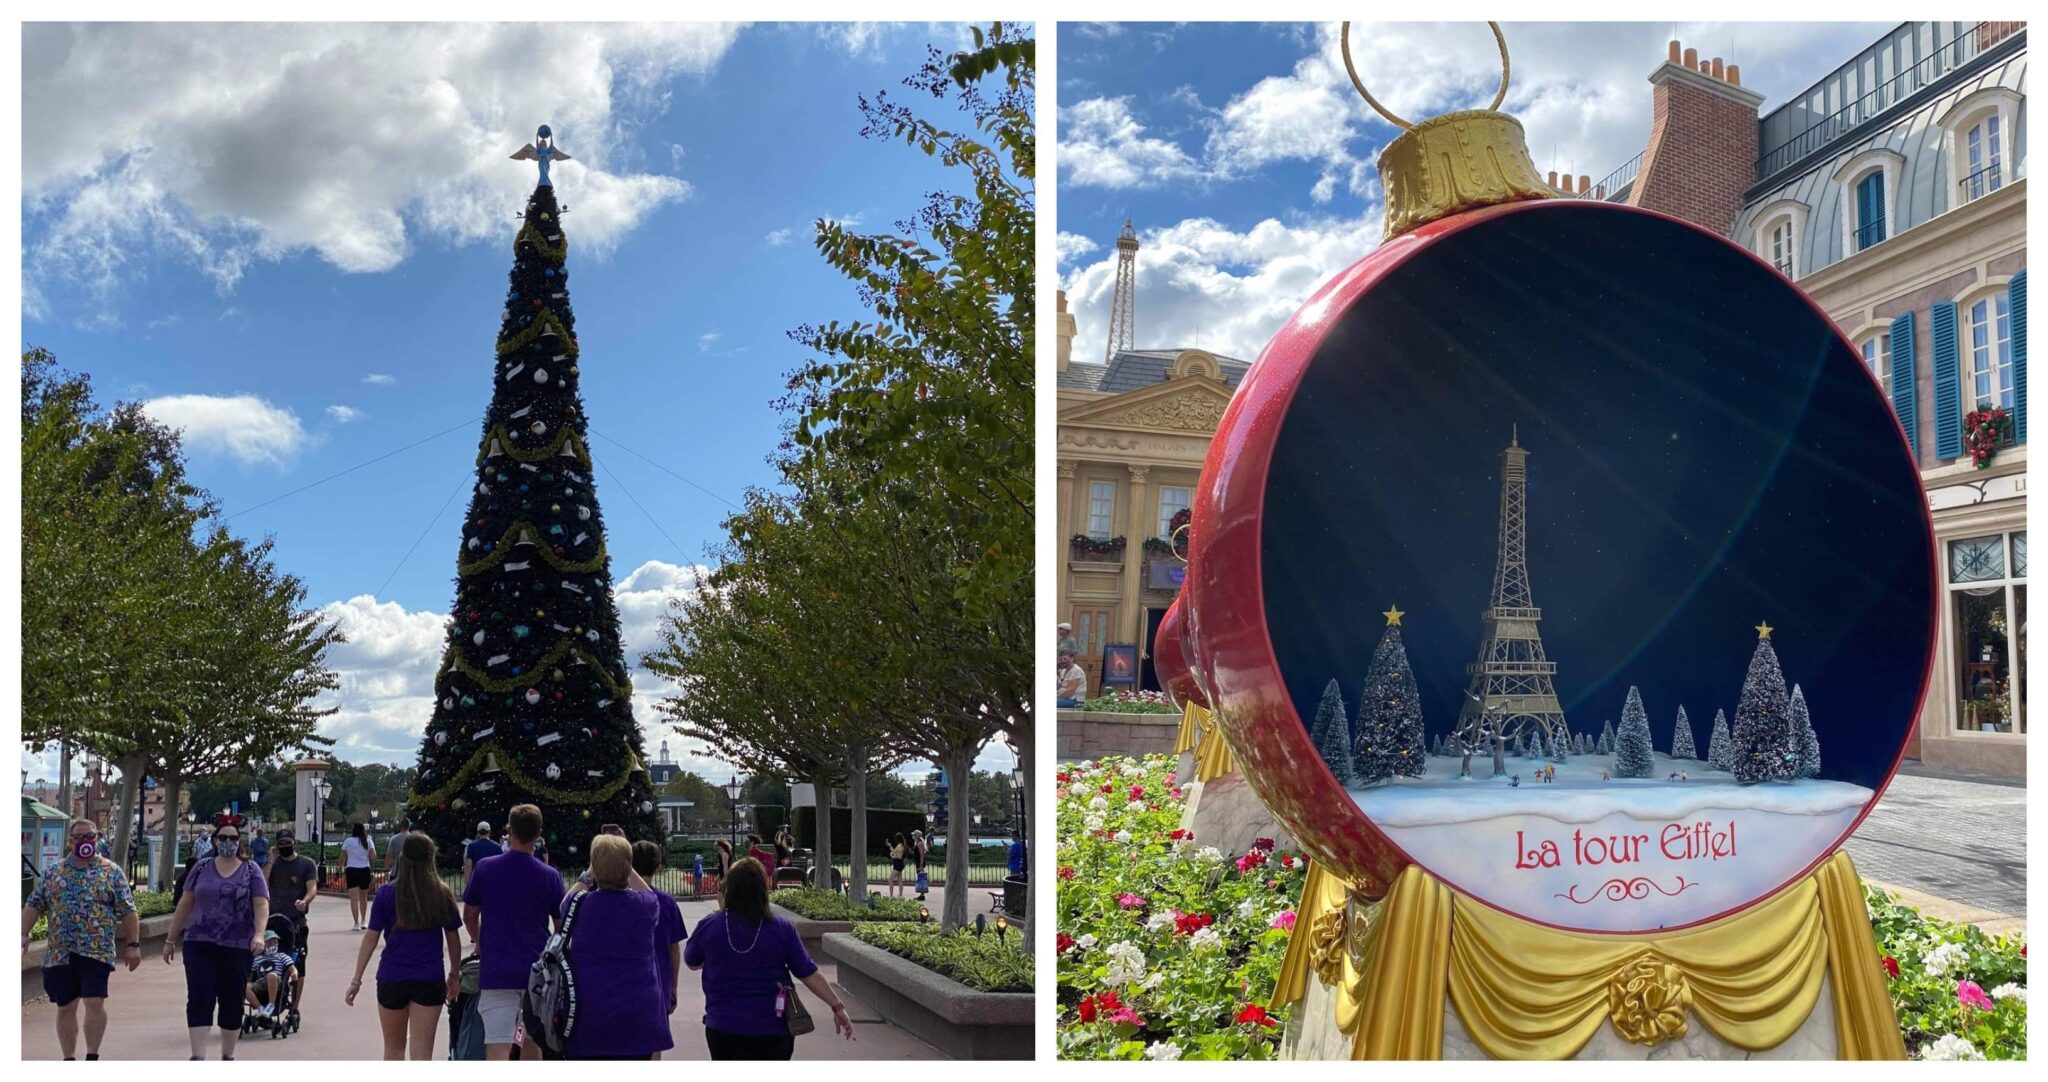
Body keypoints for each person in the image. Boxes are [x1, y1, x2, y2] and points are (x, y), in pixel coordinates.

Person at [685, 858, 853, 1059]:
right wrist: (836, 1006)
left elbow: (692, 961)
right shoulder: (782, 928)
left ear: (729, 889)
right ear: (763, 890)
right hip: (773, 1028)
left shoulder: (711, 925)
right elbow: (807, 971)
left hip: (723, 1026)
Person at [20, 819, 141, 1061]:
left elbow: (128, 910)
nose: (85, 842)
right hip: (60, 952)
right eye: (79, 837)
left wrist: (133, 945)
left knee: (94, 1001)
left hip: (96, 951)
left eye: (90, 836)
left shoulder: (111, 871)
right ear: (70, 841)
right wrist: (22, 932)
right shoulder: (54, 872)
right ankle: (69, 1058)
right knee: (66, 1006)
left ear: (96, 839)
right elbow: (34, 904)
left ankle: (92, 1056)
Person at [461, 804, 564, 1061]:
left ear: (508, 830)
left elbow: (470, 914)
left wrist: (480, 941)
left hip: (497, 968)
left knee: (497, 1042)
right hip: (536, 972)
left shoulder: (485, 868)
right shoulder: (550, 876)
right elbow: (561, 925)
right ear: (538, 834)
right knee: (531, 1041)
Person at [346, 832, 461, 1060]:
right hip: (429, 977)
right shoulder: (441, 892)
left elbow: (371, 938)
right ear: (431, 858)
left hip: (392, 976)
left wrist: (356, 979)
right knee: (422, 1053)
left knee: (393, 1049)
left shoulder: (387, 893)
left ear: (402, 858)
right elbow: (453, 938)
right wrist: (454, 974)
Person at [163, 819, 270, 1061]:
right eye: (223, 838)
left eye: (234, 838)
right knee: (200, 997)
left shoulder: (251, 870)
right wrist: (170, 938)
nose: (228, 843)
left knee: (232, 998)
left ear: (239, 842)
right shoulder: (201, 868)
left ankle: (227, 1055)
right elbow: (186, 902)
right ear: (214, 841)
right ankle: (198, 1056)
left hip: (237, 945)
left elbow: (261, 904)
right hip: (200, 942)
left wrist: (259, 933)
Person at [559, 836, 674, 1059]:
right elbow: (650, 894)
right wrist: (625, 865)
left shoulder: (581, 905)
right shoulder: (644, 905)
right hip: (638, 1010)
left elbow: (566, 902)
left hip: (591, 1009)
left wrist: (591, 871)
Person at [632, 840, 688, 1033]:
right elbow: (674, 947)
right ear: (658, 868)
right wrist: (674, 986)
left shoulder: (621, 899)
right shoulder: (666, 902)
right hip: (659, 981)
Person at [265, 831, 319, 973]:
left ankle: (296, 994)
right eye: (281, 843)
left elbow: (312, 888)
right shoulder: (273, 864)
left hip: (296, 920)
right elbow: (262, 883)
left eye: (288, 842)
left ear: (294, 842)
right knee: (269, 962)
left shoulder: (307, 864)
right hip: (273, 920)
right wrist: (271, 859)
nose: (285, 846)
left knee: (299, 963)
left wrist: (305, 901)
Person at [245, 929, 300, 1019]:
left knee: (271, 975)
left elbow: (292, 968)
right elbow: (251, 974)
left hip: (277, 981)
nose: (272, 945)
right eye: (269, 943)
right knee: (244, 986)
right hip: (261, 982)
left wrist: (294, 973)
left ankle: (271, 1005)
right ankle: (261, 1009)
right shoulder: (257, 959)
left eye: (274, 942)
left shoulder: (282, 956)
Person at [341, 822, 377, 930]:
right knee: (363, 898)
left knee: (354, 899)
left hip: (351, 869)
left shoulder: (348, 841)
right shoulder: (367, 841)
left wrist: (340, 868)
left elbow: (342, 857)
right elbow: (373, 857)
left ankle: (356, 923)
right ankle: (363, 921)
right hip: (364, 869)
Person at [887, 834, 908, 898]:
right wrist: (890, 846)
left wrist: (893, 856)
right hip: (899, 864)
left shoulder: (899, 846)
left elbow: (899, 856)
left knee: (890, 879)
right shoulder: (902, 845)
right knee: (899, 879)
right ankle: (900, 895)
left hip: (898, 864)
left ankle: (891, 895)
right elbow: (895, 852)